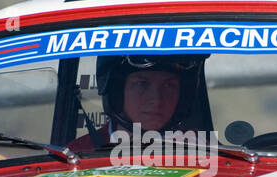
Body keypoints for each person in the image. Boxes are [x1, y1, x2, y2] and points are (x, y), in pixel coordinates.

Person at [71, 54, 208, 149]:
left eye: (168, 86)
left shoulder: (205, 151)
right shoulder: (75, 155)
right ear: (117, 91)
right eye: (142, 84)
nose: (156, 99)